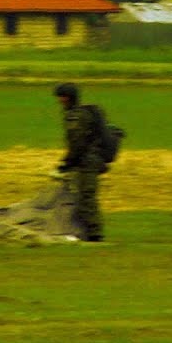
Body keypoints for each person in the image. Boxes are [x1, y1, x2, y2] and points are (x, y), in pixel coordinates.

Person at [54, 82, 105, 242]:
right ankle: (88, 231)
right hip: (89, 160)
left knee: (86, 198)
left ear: (68, 98)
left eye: (61, 97)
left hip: (86, 162)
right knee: (84, 197)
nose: (59, 100)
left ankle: (94, 234)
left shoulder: (75, 116)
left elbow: (77, 143)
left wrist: (66, 163)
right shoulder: (82, 113)